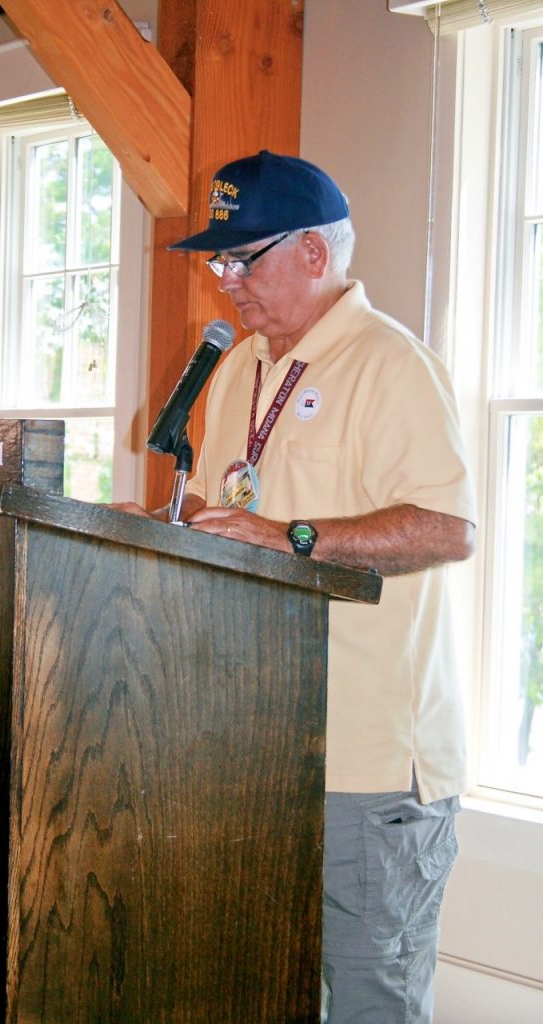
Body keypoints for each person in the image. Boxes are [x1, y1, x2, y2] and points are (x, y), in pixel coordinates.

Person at [117, 149, 476, 1023]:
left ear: (315, 253)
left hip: (369, 768)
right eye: (220, 260)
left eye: (246, 257)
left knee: (368, 1008)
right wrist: (178, 518)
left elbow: (446, 529)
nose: (227, 280)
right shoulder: (238, 367)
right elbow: (245, 507)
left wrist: (293, 539)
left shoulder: (393, 364)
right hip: (256, 750)